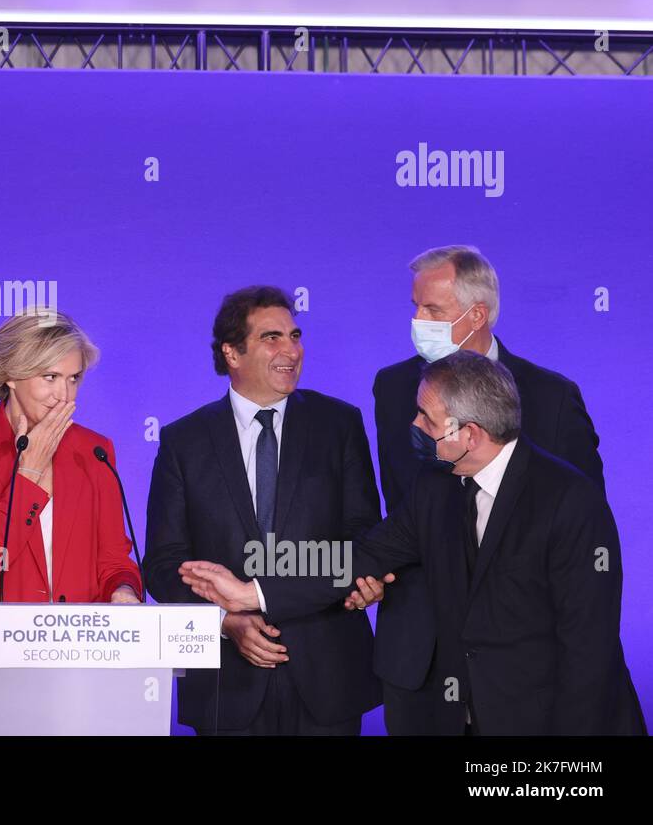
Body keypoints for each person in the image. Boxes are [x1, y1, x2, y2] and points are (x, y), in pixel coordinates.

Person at [183, 351, 645, 736]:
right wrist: (255, 592)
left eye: (427, 417)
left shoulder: (567, 500)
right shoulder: (436, 486)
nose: (415, 426)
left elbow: (588, 647)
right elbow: (361, 556)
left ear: (470, 434)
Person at [373, 245, 605, 734]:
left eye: (431, 310)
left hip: (522, 669)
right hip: (421, 657)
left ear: (476, 314)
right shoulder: (393, 388)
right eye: (415, 307)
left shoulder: (552, 397)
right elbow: (400, 515)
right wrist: (366, 572)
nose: (418, 320)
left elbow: (586, 539)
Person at [144, 286, 382, 735]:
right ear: (232, 353)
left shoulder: (339, 425)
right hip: (227, 687)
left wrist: (273, 591)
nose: (291, 350)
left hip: (326, 673)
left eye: (294, 335)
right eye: (272, 338)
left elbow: (362, 538)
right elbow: (162, 564)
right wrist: (223, 621)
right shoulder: (184, 442)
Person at [0, 309, 143, 730]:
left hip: (78, 675)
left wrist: (123, 591)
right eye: (50, 377)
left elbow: (114, 560)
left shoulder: (96, 451)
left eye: (74, 378)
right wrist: (28, 473)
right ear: (11, 375)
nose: (65, 395)